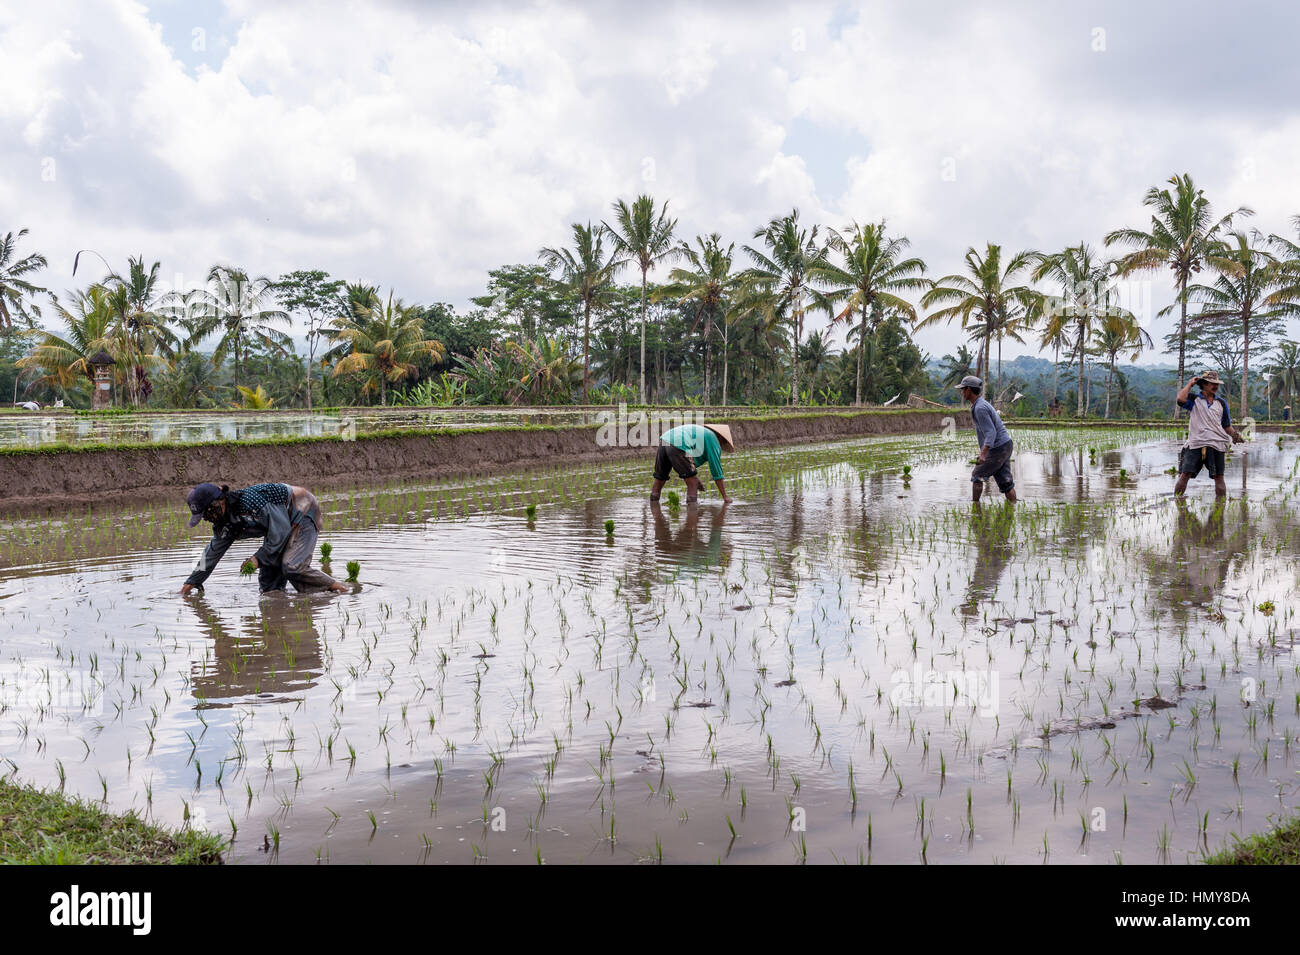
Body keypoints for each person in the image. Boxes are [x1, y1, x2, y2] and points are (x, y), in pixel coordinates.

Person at [179, 482, 348, 596]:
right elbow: (211, 553)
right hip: (279, 525)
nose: (207, 519)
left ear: (219, 503)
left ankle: (339, 589)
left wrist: (257, 559)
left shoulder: (251, 503)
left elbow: (280, 531)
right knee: (269, 588)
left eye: (207, 513)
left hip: (302, 511)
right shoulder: (223, 523)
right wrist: (191, 583)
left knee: (292, 566)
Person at [1174, 371, 1244, 497]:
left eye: (1216, 384)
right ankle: (1177, 501)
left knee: (1219, 477)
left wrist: (1235, 435)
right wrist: (1190, 384)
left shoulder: (1221, 403)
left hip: (1216, 443)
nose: (1215, 386)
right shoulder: (1194, 399)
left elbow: (1226, 425)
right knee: (1185, 475)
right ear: (1204, 384)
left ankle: (1220, 507)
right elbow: (1180, 399)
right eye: (1212, 383)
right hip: (1196, 442)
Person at [956, 375, 1017, 502]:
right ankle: (1013, 509)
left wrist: (983, 453)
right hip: (1005, 445)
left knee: (977, 475)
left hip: (998, 448)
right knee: (1006, 483)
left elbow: (991, 433)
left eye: (963, 389)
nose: (961, 392)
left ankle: (975, 508)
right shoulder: (980, 404)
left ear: (969, 390)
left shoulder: (980, 408)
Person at [650, 423, 733, 504]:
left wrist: (693, 476)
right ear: (721, 437)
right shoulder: (713, 439)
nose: (722, 445)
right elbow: (716, 471)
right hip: (679, 443)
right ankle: (692, 513)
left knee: (659, 479)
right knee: (693, 482)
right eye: (724, 442)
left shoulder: (701, 434)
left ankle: (654, 506)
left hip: (665, 439)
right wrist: (725, 497)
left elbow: (688, 463)